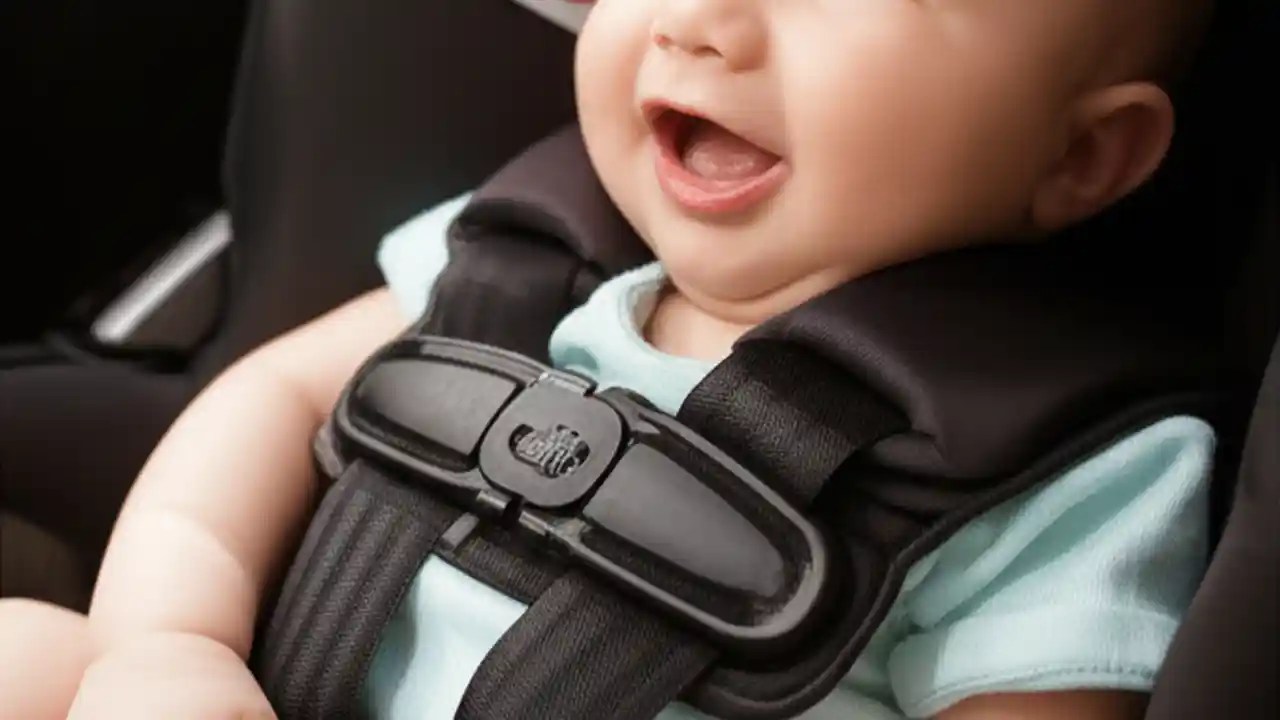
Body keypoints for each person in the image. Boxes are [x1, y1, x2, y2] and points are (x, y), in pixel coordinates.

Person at [0, 0, 1218, 718]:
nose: (700, 24)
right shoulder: (521, 256)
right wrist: (170, 639)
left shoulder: (1050, 465)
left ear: (1082, 158)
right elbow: (272, 397)